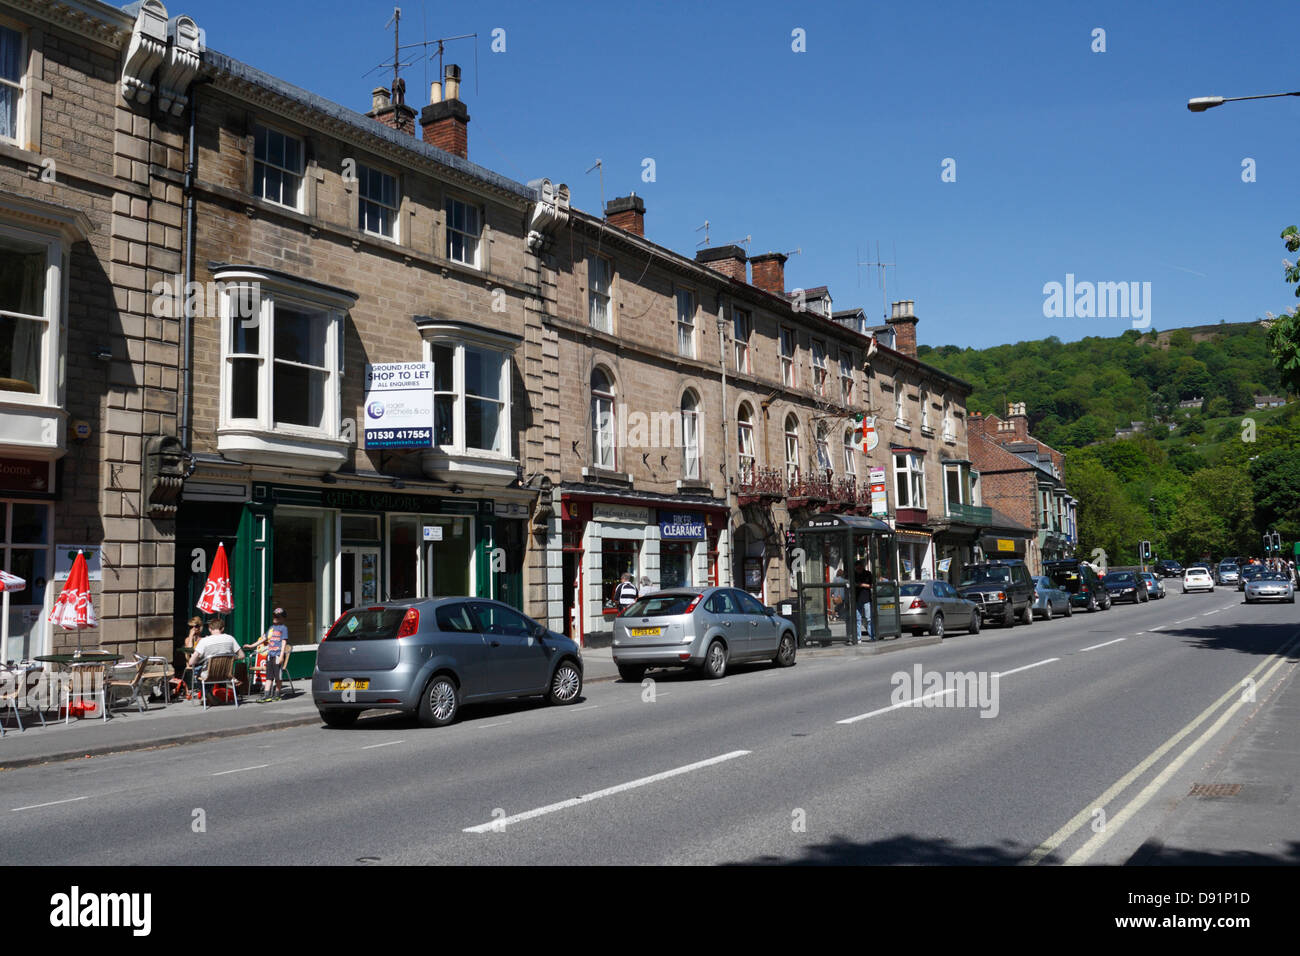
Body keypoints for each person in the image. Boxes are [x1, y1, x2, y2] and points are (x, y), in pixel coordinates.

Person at [244, 608, 291, 702]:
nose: (275, 618)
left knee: (278, 676)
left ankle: (277, 694)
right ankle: (267, 695)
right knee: (269, 676)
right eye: (274, 616)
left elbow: (284, 642)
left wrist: (282, 655)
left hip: (278, 655)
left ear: (283, 618)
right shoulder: (271, 628)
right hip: (270, 655)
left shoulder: (283, 628)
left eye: (278, 616)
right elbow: (263, 639)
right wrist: (251, 646)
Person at [186, 617, 244, 692]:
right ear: (222, 628)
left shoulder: (204, 641)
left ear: (210, 629)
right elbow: (242, 656)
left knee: (198, 671)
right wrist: (230, 658)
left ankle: (209, 696)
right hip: (226, 674)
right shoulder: (230, 638)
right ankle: (214, 695)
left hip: (209, 674)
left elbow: (191, 662)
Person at [854, 562, 875, 643]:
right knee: (857, 619)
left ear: (862, 567)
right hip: (856, 598)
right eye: (857, 568)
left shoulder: (868, 574)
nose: (858, 569)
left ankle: (872, 636)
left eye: (859, 567)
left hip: (866, 598)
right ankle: (858, 638)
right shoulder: (854, 574)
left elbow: (872, 585)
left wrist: (862, 585)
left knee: (869, 618)